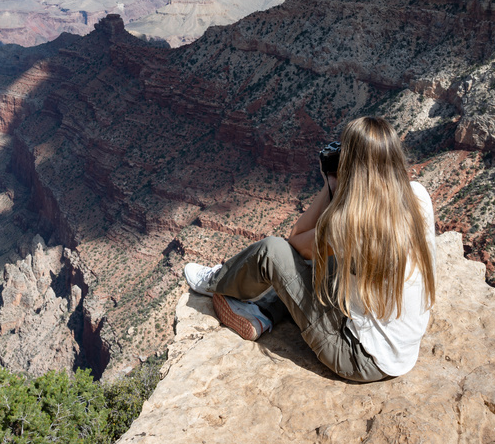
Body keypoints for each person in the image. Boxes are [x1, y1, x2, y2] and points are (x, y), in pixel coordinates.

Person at [183, 116, 437, 382]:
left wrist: (330, 186)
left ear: (352, 165)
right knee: (328, 261)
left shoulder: (350, 226)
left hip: (358, 357)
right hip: (402, 351)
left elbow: (293, 242)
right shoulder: (417, 196)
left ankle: (214, 282)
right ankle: (264, 311)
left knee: (273, 251)